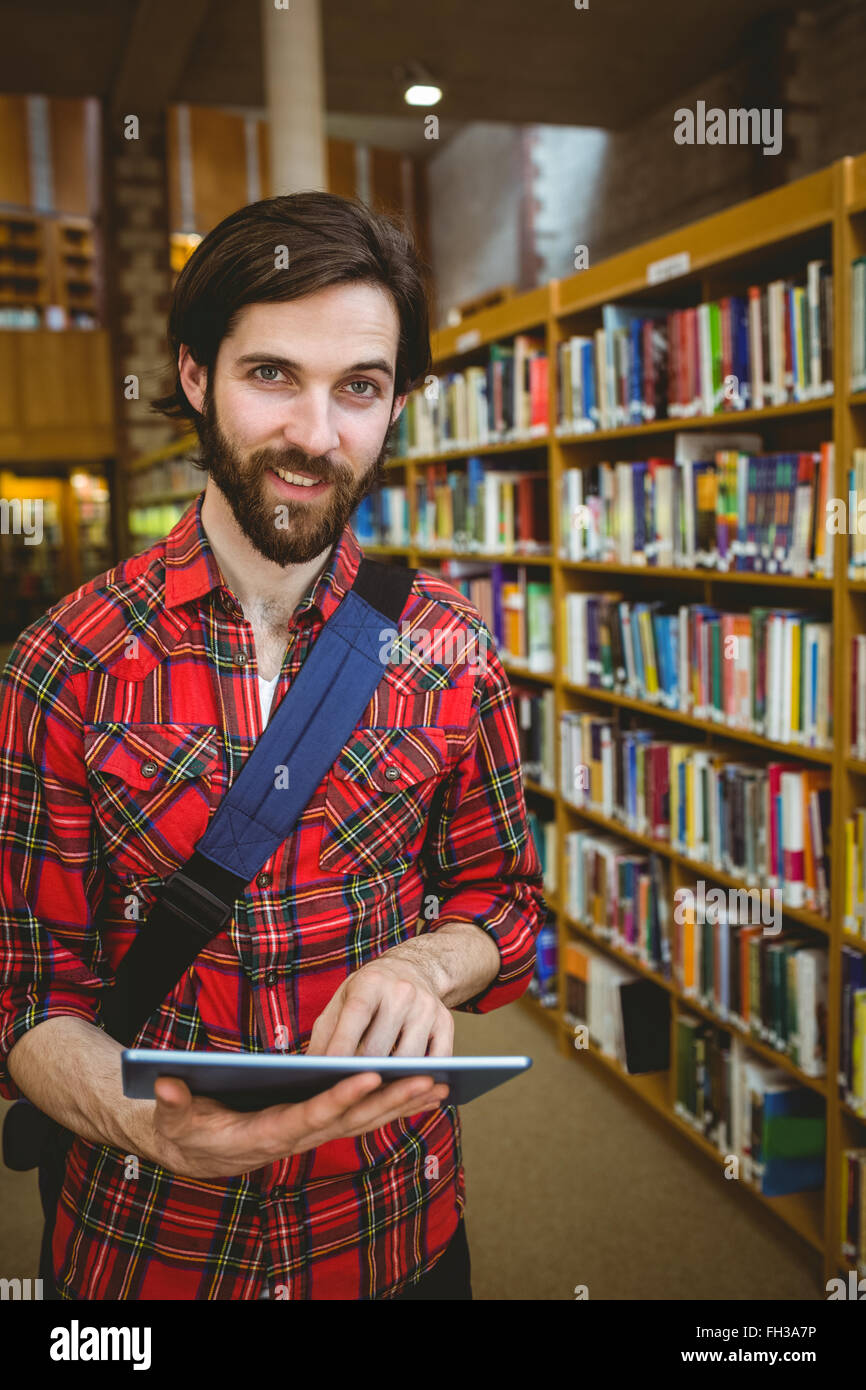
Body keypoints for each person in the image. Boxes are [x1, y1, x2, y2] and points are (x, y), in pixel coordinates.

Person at [0, 191, 545, 1301]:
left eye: (360, 387)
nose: (314, 433)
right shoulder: (61, 663)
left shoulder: (451, 647)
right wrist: (145, 1128)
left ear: (396, 404)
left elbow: (503, 897)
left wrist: (422, 963)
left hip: (394, 1229)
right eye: (271, 376)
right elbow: (25, 992)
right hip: (149, 1247)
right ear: (196, 376)